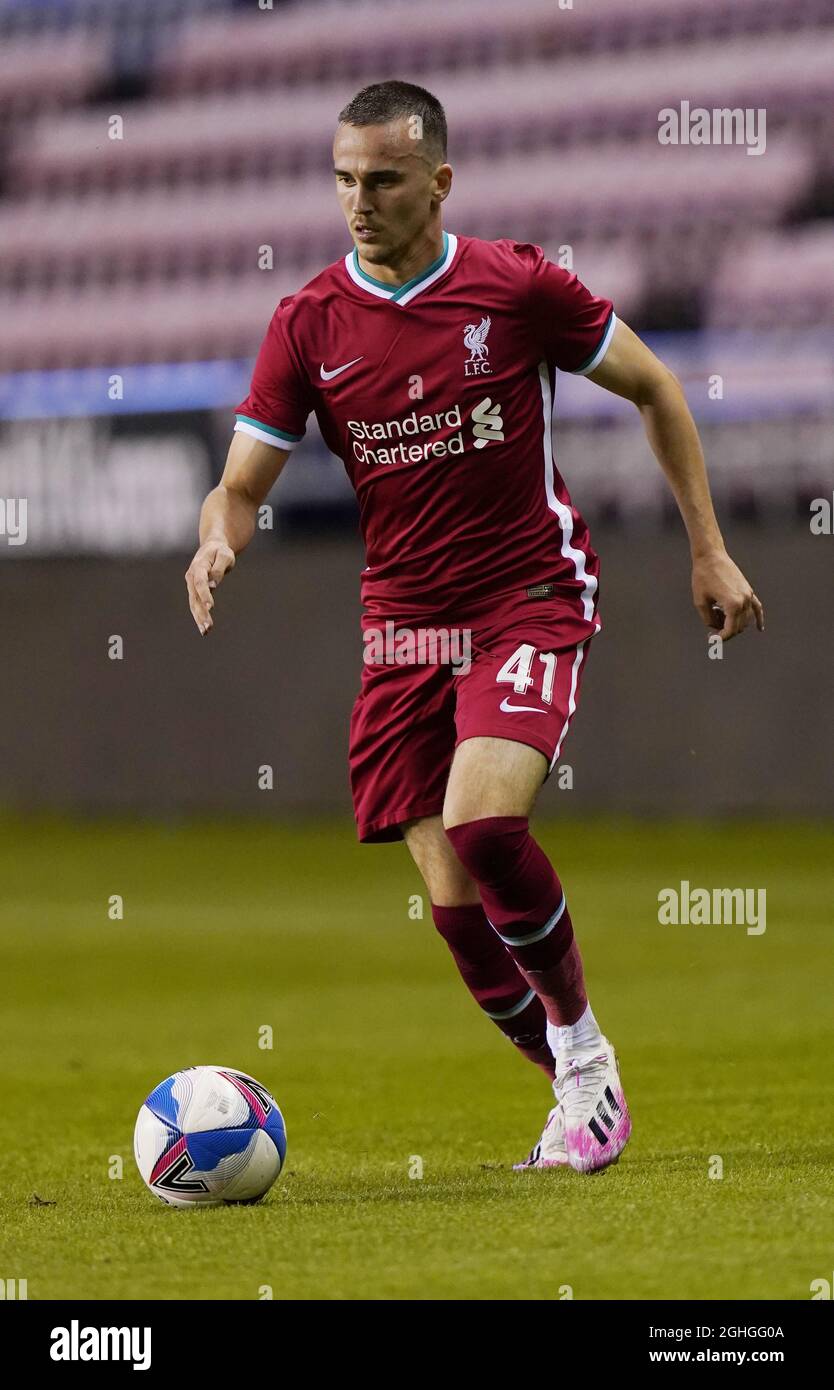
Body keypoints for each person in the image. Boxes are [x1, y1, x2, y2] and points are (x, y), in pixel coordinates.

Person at [185, 80, 764, 1174]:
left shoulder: (516, 287)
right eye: (346, 180)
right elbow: (240, 485)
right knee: (455, 911)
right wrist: (220, 536)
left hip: (526, 595)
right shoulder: (307, 323)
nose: (360, 201)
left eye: (385, 180)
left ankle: (586, 1061)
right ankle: (576, 1083)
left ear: (439, 182)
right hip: (403, 629)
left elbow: (655, 388)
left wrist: (708, 545)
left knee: (485, 827)